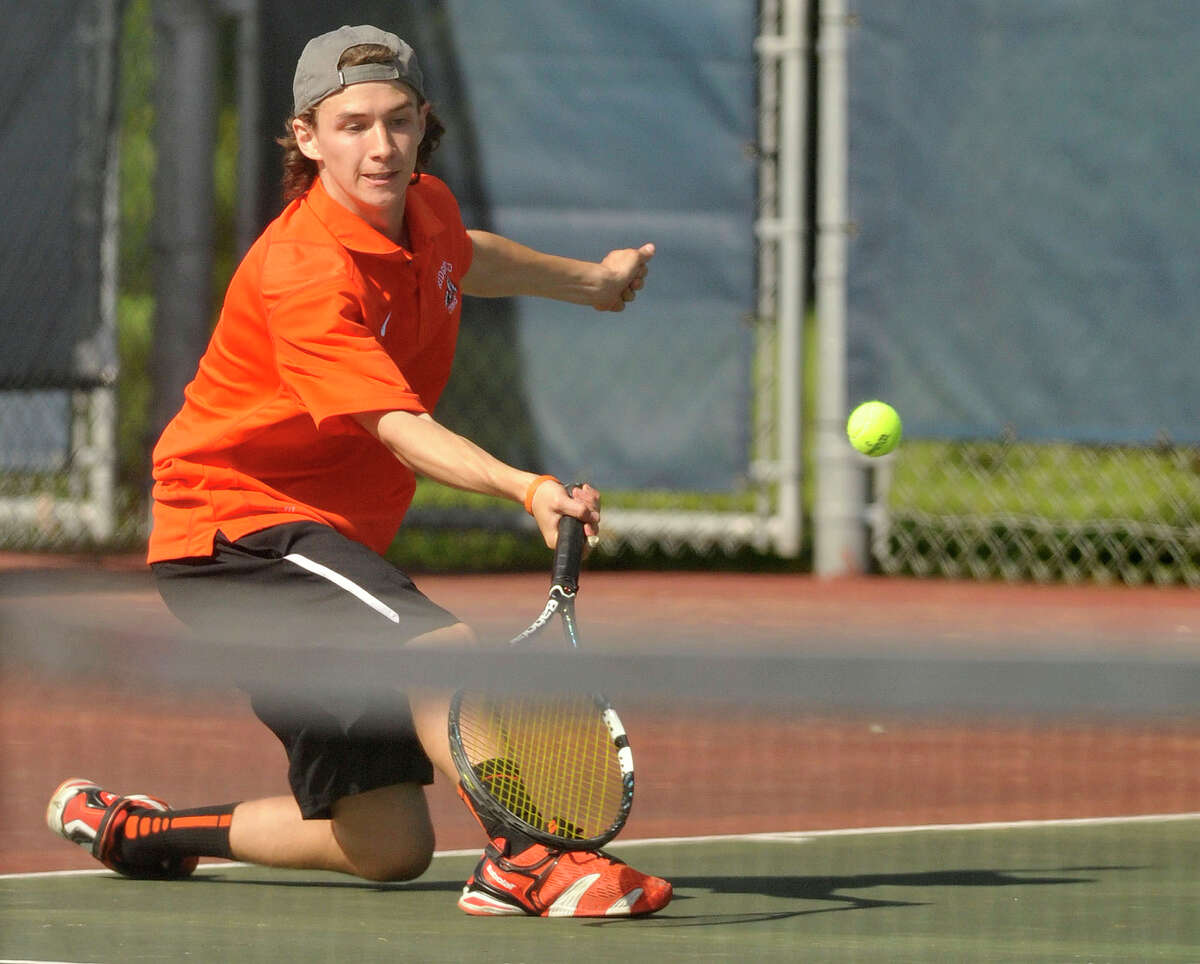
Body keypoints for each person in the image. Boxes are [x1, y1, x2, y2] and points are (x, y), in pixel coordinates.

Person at [46, 24, 670, 918]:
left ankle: (145, 833)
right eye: (351, 126)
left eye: (398, 121)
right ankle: (526, 858)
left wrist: (590, 282)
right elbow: (401, 430)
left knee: (386, 846)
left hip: (313, 540)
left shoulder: (426, 208)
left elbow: (463, 253)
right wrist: (526, 486)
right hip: (233, 531)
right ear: (306, 136)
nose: (379, 146)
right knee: (436, 645)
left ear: (423, 124)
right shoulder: (302, 269)